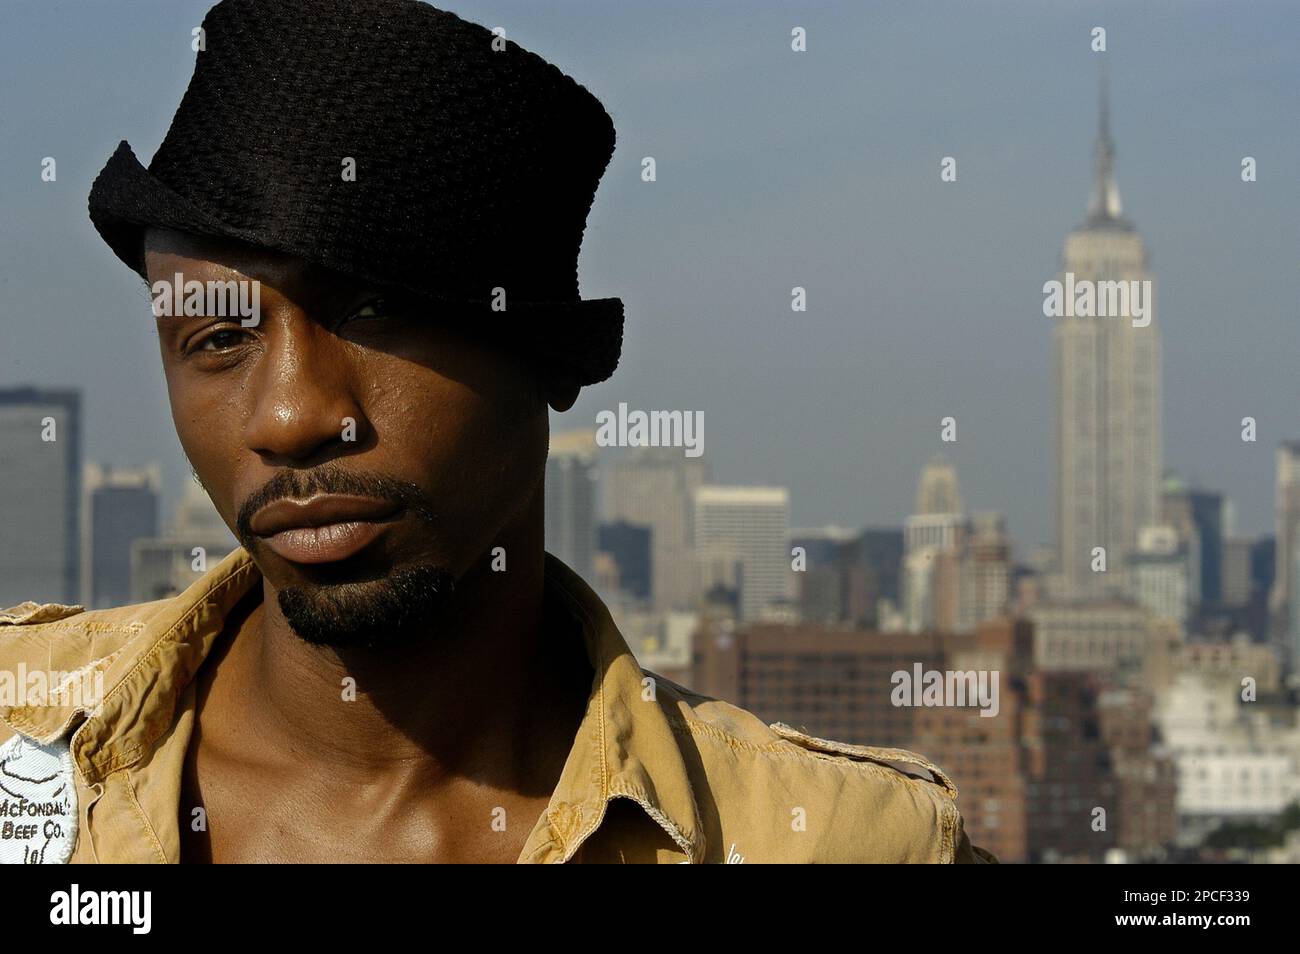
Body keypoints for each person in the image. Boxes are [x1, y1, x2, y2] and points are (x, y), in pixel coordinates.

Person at [0, 0, 994, 864]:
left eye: (380, 312)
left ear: (543, 357)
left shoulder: (818, 841)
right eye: (217, 337)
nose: (291, 416)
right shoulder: (21, 723)